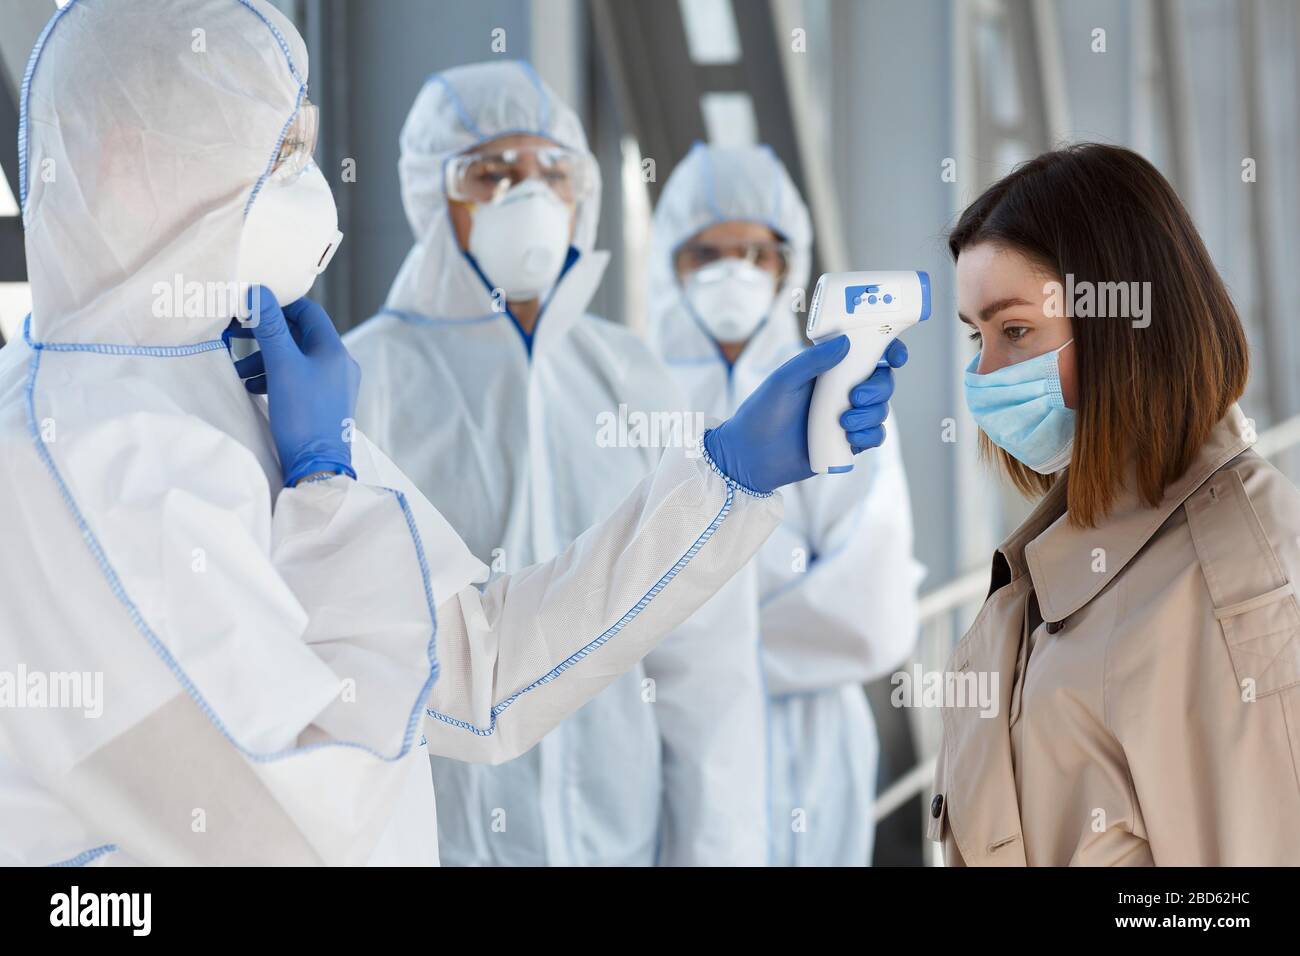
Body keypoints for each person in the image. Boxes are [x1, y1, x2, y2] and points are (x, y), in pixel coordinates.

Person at [0, 0, 902, 867]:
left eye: (303, 152)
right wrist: (325, 491)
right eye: (275, 154)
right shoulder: (74, 451)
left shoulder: (245, 386)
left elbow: (478, 667)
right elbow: (304, 825)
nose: (306, 189)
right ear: (129, 162)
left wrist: (730, 474)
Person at [345, 61, 791, 865]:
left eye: (554, 172)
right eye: (493, 172)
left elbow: (704, 663)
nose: (531, 196)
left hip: (619, 841)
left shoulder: (631, 376)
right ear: (430, 192)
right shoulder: (362, 384)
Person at [929, 142, 1300, 866]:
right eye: (976, 337)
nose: (983, 374)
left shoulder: (1236, 582)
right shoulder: (1081, 536)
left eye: (1014, 331)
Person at [648, 143, 923, 866]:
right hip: (664, 739)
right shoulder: (627, 390)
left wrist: (690, 648)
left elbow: (871, 610)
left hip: (811, 742)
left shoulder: (838, 392)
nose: (732, 271)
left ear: (788, 264)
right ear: (666, 262)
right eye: (706, 251)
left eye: (756, 252)